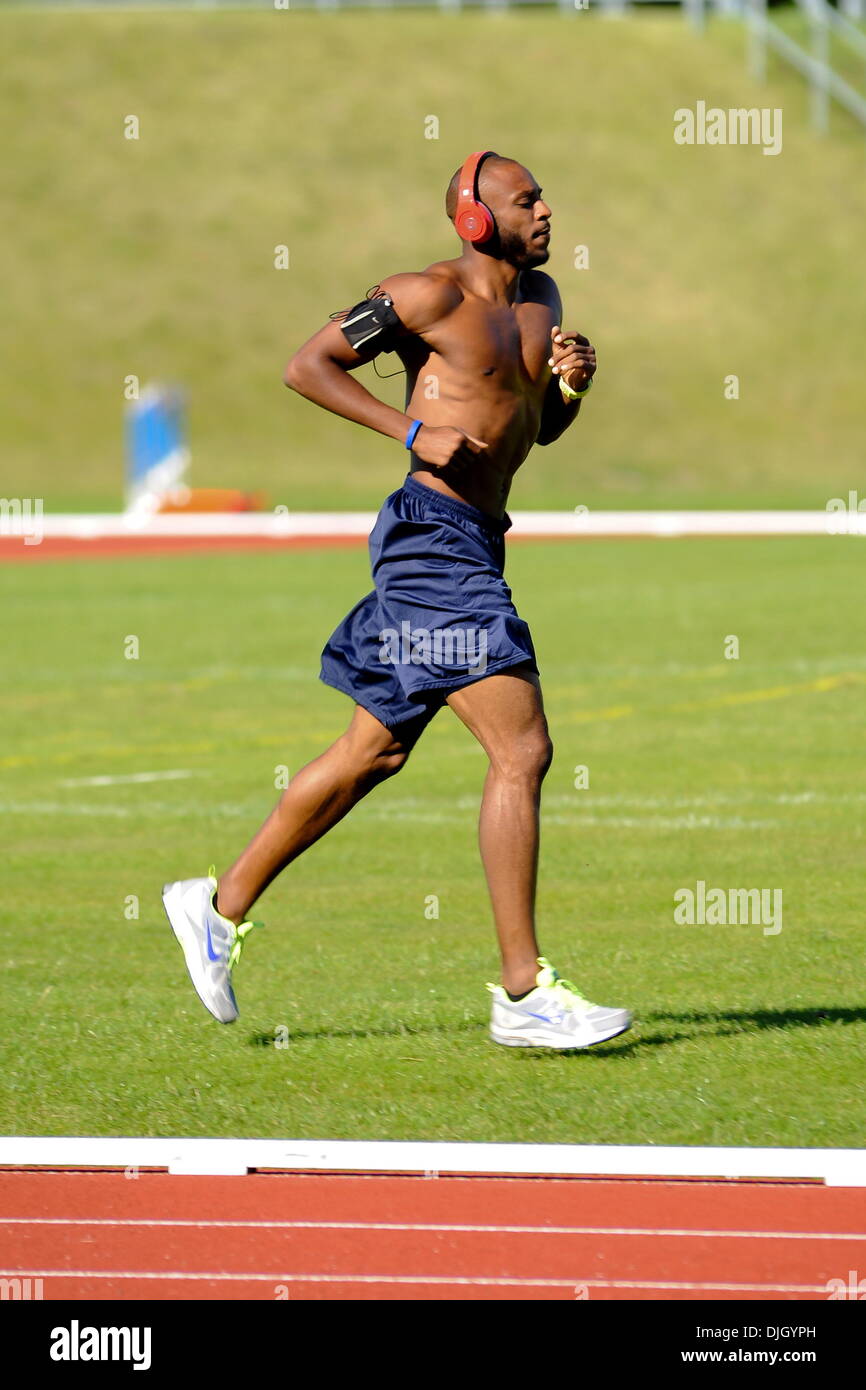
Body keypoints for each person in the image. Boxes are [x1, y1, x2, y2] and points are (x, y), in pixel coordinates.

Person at [162, 151, 630, 1050]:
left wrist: (569, 386)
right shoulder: (425, 296)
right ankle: (524, 992)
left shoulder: (545, 304)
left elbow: (531, 423)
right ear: (475, 218)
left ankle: (215, 907)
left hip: (474, 544)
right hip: (431, 544)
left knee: (372, 752)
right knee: (522, 747)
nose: (546, 211)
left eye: (542, 197)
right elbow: (308, 366)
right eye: (525, 200)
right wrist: (410, 429)